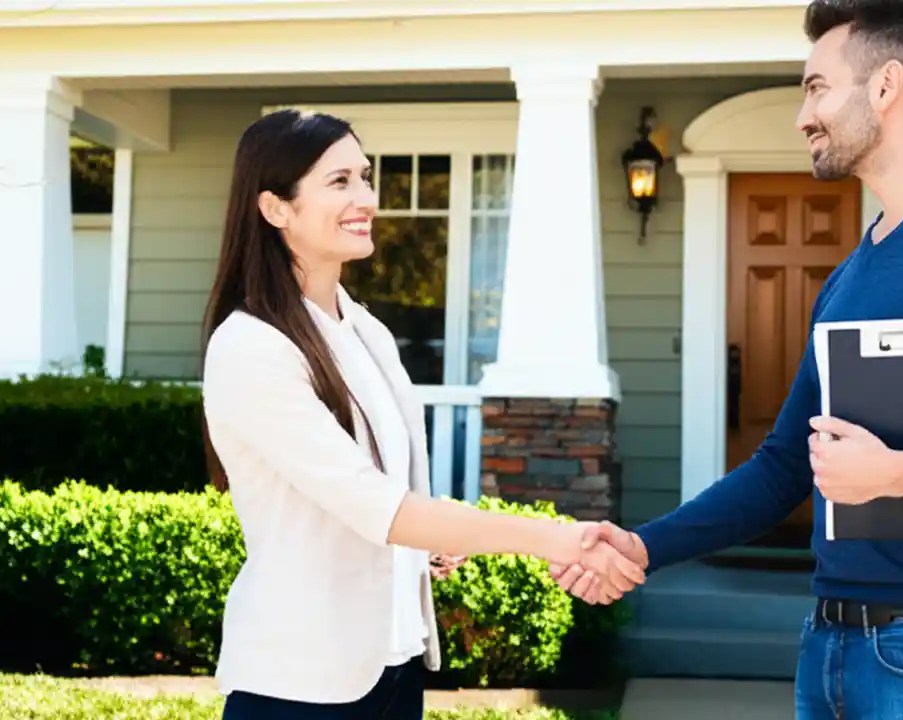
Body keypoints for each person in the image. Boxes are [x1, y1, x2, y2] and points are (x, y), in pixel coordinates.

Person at [553, 0, 903, 717]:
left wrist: (901, 473)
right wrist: (641, 547)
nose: (802, 115)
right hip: (828, 644)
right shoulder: (850, 278)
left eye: (816, 87)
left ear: (886, 86)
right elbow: (784, 465)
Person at [200, 108, 644, 720]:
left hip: (394, 664)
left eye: (365, 176)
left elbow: (391, 489)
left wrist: (429, 543)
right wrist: (559, 540)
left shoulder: (366, 331)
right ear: (276, 208)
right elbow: (374, 506)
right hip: (301, 683)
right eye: (339, 182)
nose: (366, 198)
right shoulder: (251, 346)